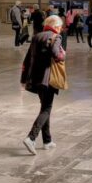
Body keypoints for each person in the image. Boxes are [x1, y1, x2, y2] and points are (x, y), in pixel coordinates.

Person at [20, 15, 66, 154]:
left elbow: (27, 59)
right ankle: (31, 137)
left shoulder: (36, 36)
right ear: (56, 26)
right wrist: (63, 54)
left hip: (35, 78)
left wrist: (23, 79)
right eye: (60, 26)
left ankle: (47, 140)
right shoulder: (56, 37)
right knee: (46, 108)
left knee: (45, 107)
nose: (61, 29)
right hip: (48, 78)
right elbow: (56, 54)